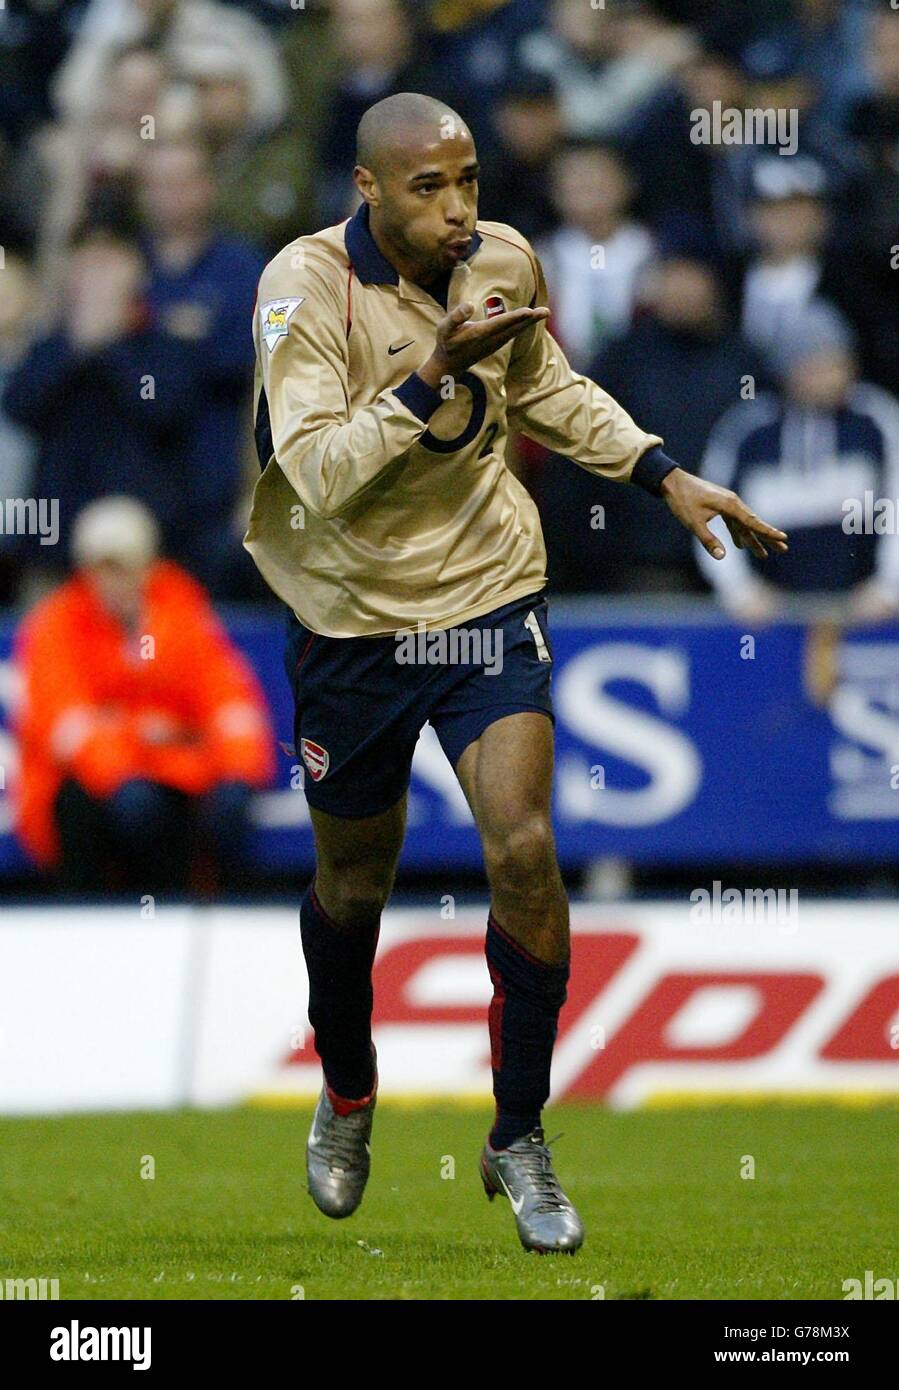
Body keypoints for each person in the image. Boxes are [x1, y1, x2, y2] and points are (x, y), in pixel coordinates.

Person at [244, 91, 787, 1254]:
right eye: (428, 188)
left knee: (526, 846)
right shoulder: (301, 290)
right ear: (367, 190)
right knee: (352, 885)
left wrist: (660, 472)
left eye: (470, 182)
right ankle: (347, 1091)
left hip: (490, 593)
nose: (457, 210)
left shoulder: (501, 259)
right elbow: (318, 473)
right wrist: (434, 370)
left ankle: (519, 1131)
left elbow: (543, 386)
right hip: (350, 622)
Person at [13, 497, 275, 894]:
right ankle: (89, 919)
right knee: (87, 805)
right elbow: (67, 726)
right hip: (86, 794)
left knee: (188, 815)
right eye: (103, 568)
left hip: (168, 775)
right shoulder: (56, 625)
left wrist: (238, 772)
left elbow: (228, 701)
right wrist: (130, 761)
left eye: (125, 566)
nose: (113, 581)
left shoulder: (181, 611)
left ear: (148, 565)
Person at [696, 300, 899, 627]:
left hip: (866, 615)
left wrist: (889, 587)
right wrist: (739, 590)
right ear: (789, 370)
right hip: (768, 618)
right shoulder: (748, 428)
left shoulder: (876, 419)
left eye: (838, 364)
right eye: (816, 366)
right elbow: (709, 509)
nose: (831, 377)